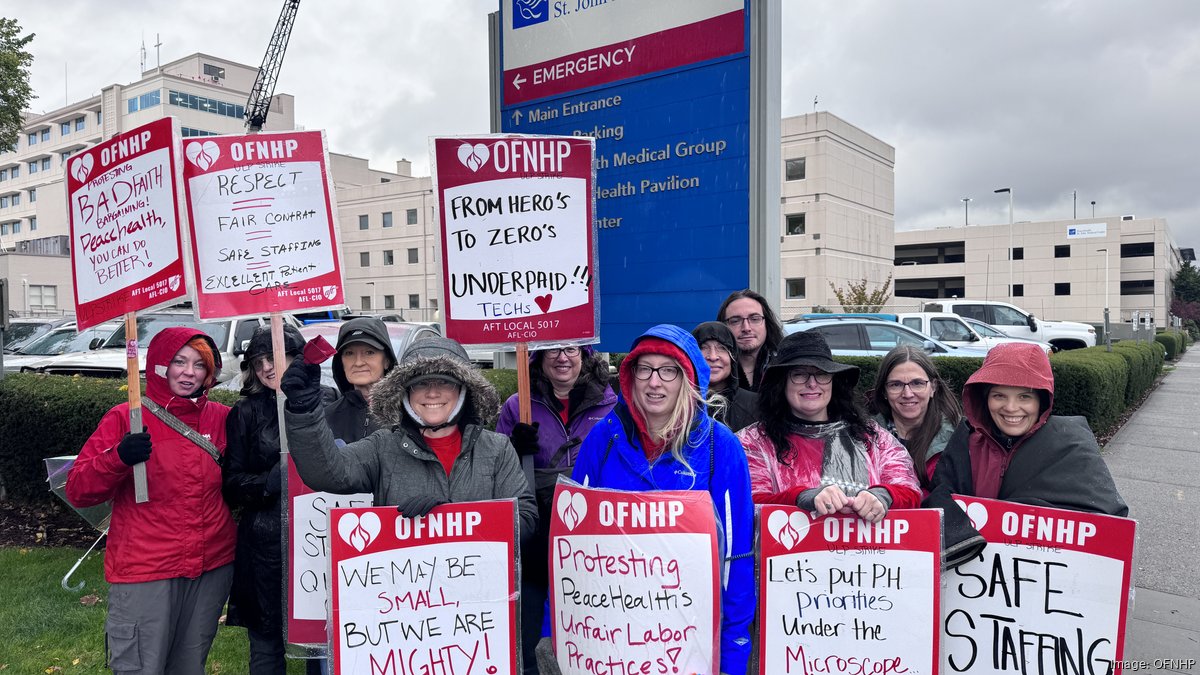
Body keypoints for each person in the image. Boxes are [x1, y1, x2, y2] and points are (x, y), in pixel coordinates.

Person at [554, 324, 755, 675]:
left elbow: (735, 557)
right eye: (644, 369)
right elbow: (569, 548)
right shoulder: (604, 438)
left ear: (688, 378)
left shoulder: (718, 447)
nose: (654, 381)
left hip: (687, 643)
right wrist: (554, 635)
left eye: (668, 371)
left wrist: (733, 653)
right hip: (609, 638)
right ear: (631, 376)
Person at [66, 327, 235, 675]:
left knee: (189, 665)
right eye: (178, 361)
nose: (189, 372)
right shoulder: (125, 418)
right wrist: (118, 457)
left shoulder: (221, 418)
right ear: (159, 364)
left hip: (211, 565)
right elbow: (79, 489)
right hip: (146, 567)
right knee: (140, 666)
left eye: (199, 364)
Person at [279, 330, 537, 547]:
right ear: (404, 393)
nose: (433, 393)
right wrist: (304, 409)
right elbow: (326, 472)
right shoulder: (382, 446)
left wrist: (451, 517)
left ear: (463, 391)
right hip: (407, 599)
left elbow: (525, 519)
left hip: (479, 600)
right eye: (421, 384)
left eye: (444, 383)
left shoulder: (497, 448)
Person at [925, 342, 1129, 568]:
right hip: (974, 585)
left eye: (1024, 397)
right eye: (999, 395)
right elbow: (938, 497)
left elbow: (1107, 523)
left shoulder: (1071, 445)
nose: (1011, 408)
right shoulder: (966, 440)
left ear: (1042, 400)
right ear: (985, 398)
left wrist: (1016, 514)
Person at [495, 345, 617, 675]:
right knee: (534, 633)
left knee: (591, 629)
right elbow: (495, 466)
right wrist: (512, 448)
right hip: (537, 539)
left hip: (594, 543)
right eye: (552, 351)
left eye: (571, 349)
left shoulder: (611, 404)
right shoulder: (517, 405)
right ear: (536, 357)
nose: (562, 358)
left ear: (585, 354)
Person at [223, 325, 330, 675]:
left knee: (324, 637)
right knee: (266, 643)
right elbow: (232, 483)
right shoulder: (245, 414)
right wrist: (268, 482)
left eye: (279, 356)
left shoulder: (326, 401)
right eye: (261, 360)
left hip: (320, 538)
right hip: (265, 544)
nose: (270, 366)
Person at [737, 331, 921, 522]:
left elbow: (910, 491)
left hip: (869, 550)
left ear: (834, 381)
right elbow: (749, 503)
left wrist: (884, 495)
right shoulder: (753, 443)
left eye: (822, 374)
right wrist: (802, 497)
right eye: (799, 375)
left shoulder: (872, 436)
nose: (812, 384)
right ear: (781, 383)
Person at [866, 345, 962, 491]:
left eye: (917, 383)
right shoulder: (863, 437)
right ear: (884, 391)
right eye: (896, 384)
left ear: (933, 388)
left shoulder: (958, 437)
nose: (908, 393)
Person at [325, 317, 397, 443]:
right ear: (341, 362)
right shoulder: (328, 417)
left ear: (386, 361)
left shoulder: (408, 412)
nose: (358, 362)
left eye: (369, 352)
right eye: (349, 353)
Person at [692, 321, 758, 431]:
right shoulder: (678, 405)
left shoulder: (755, 406)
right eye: (704, 347)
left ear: (733, 357)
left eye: (722, 348)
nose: (713, 357)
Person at [716, 289, 783, 392]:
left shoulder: (784, 369)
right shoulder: (710, 374)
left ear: (767, 324)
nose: (746, 328)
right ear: (723, 327)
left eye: (755, 319)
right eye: (735, 321)